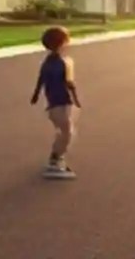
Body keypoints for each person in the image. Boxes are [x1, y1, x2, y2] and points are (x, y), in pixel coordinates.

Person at [30, 26, 81, 179]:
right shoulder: (63, 62)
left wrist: (36, 95)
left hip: (53, 104)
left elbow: (41, 78)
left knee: (63, 132)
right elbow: (69, 83)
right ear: (62, 43)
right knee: (67, 133)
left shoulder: (47, 62)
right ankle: (55, 161)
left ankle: (56, 158)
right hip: (62, 102)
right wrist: (76, 99)